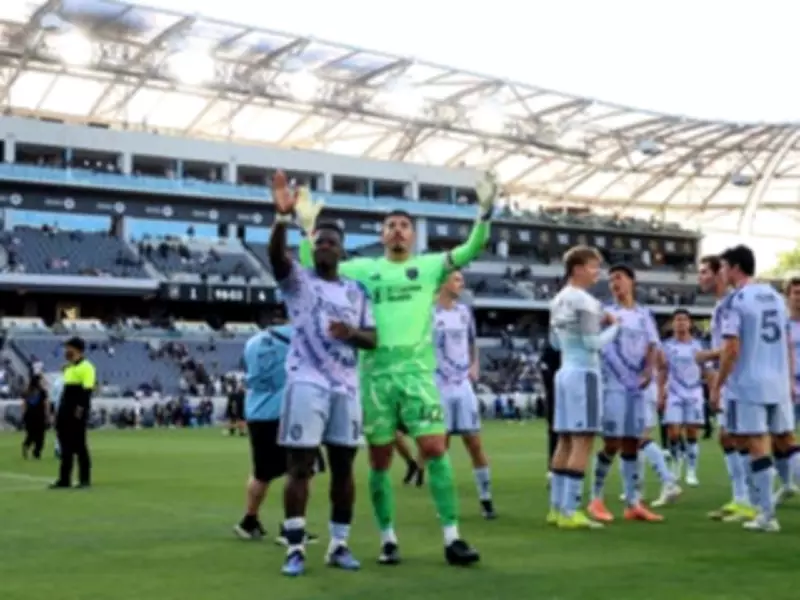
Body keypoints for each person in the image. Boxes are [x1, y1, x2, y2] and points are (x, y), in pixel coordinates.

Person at [293, 172, 497, 566]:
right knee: (380, 459)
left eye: (404, 226)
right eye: (391, 226)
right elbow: (312, 265)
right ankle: (388, 539)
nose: (399, 231)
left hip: (418, 374)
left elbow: (472, 249)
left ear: (413, 235)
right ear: (382, 234)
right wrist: (306, 231)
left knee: (435, 447)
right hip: (374, 375)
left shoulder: (431, 265)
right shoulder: (365, 269)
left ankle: (452, 537)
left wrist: (484, 213)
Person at [269, 172, 378, 576]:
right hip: (306, 382)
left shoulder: (356, 292)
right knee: (299, 466)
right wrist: (282, 219)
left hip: (346, 387)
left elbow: (373, 340)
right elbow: (277, 258)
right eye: (320, 241)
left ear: (342, 250)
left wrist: (351, 332)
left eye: (332, 242)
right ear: (312, 246)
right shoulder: (300, 282)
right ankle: (295, 548)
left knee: (345, 467)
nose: (326, 246)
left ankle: (339, 544)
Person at [711, 244, 792, 532]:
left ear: (734, 268)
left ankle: (766, 514)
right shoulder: (776, 297)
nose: (721, 273)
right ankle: (768, 500)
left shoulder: (736, 301)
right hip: (778, 380)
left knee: (755, 445)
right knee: (784, 441)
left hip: (748, 383)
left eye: (722, 267)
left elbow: (731, 347)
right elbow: (784, 340)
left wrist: (717, 385)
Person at [587, 264, 667, 523]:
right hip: (612, 385)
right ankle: (596, 498)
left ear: (632, 281)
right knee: (612, 442)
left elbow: (652, 345)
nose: (614, 284)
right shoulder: (605, 313)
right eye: (610, 280)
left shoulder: (645, 315)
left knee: (633, 441)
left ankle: (633, 502)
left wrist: (647, 373)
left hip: (637, 387)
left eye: (619, 278)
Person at [547, 245, 619, 529]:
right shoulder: (585, 301)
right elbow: (592, 343)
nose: (597, 272)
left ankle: (556, 508)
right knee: (583, 440)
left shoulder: (557, 300)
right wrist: (615, 327)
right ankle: (571, 510)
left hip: (564, 371)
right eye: (593, 266)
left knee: (564, 439)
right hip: (585, 373)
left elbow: (554, 343)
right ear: (578, 269)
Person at [233, 324, 318, 547]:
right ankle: (292, 527)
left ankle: (249, 520)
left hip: (257, 411)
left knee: (261, 473)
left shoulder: (252, 342)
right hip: (288, 410)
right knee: (302, 471)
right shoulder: (298, 335)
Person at [695, 255, 754, 522]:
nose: (701, 277)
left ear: (720, 273)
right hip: (729, 378)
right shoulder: (721, 305)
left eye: (705, 272)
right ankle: (741, 497)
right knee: (728, 437)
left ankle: (750, 500)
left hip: (740, 380)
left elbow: (735, 347)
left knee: (744, 438)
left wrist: (708, 356)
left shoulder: (731, 303)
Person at [434, 270, 496, 519]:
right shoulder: (428, 314)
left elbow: (472, 343)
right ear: (443, 282)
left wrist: (474, 366)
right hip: (438, 384)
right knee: (440, 447)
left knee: (474, 443)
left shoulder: (464, 312)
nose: (461, 284)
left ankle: (486, 498)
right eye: (457, 279)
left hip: (462, 385)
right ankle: (444, 503)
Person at [659, 310, 708, 486]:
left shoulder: (699, 345)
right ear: (672, 324)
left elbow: (706, 368)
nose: (680, 323)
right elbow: (662, 370)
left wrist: (712, 388)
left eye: (684, 320)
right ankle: (676, 464)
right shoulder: (665, 346)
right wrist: (660, 393)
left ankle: (692, 470)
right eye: (677, 320)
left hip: (694, 391)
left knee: (692, 432)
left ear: (689, 324)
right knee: (673, 431)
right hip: (673, 391)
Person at [50, 337, 96, 489]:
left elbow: (86, 393)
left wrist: (79, 411)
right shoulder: (69, 368)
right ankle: (64, 479)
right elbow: (66, 393)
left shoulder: (87, 367)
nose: (66, 351)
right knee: (65, 446)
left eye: (68, 348)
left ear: (76, 349)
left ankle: (84, 479)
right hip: (65, 410)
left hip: (77, 411)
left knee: (80, 445)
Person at [771, 277, 800, 504]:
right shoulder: (780, 323)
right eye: (795, 293)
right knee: (777, 439)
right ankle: (787, 484)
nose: (798, 297)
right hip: (784, 387)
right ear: (787, 296)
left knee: (787, 439)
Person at [540, 341, 561, 486]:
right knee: (555, 432)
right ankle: (554, 469)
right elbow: (544, 372)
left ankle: (560, 470)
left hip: (560, 391)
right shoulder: (551, 345)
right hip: (555, 393)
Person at [21, 374, 49, 460]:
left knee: (31, 434)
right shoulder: (42, 391)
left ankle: (26, 445)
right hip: (39, 415)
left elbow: (24, 404)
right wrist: (48, 415)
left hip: (29, 415)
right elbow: (46, 404)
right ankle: (37, 452)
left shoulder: (27, 391)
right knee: (40, 435)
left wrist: (23, 415)